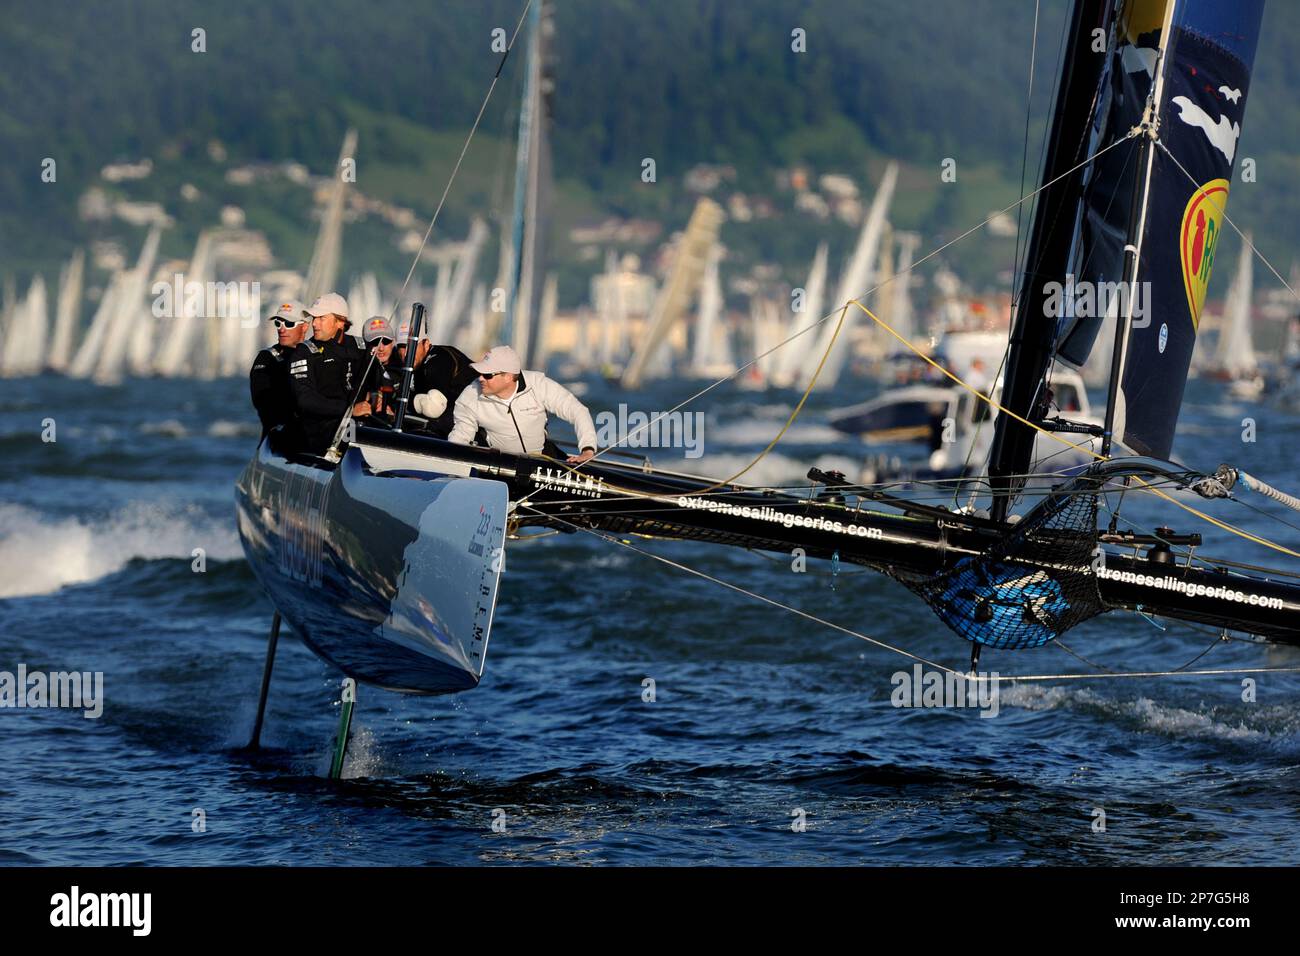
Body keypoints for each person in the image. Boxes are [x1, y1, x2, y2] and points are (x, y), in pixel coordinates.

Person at [447, 345, 598, 463]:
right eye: (479, 373)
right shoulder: (470, 396)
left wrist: (587, 449)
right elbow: (460, 438)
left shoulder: (538, 384)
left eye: (487, 375)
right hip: (502, 463)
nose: (480, 379)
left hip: (544, 458)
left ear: (508, 376)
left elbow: (577, 411)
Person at [289, 292, 371, 452]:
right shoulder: (304, 352)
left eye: (321, 318)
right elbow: (305, 400)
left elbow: (380, 382)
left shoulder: (361, 347)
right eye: (314, 318)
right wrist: (349, 410)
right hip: (320, 432)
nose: (314, 324)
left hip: (359, 428)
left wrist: (379, 397)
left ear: (340, 322)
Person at [250, 300, 310, 447]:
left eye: (289, 324)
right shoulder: (267, 358)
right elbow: (262, 401)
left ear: (305, 327)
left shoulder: (316, 355)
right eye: (278, 323)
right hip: (278, 440)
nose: (282, 329)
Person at [410, 342, 479, 438]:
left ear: (426, 344)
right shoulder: (418, 363)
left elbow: (434, 407)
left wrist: (400, 404)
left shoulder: (437, 360)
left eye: (411, 346)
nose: (406, 353)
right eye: (402, 347)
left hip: (472, 420)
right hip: (458, 416)